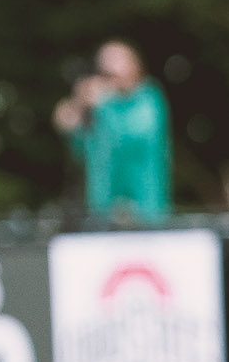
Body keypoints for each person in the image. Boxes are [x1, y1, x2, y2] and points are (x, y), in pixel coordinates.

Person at [52, 40, 172, 226]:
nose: (109, 70)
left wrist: (103, 102)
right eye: (104, 65)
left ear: (134, 65)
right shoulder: (100, 105)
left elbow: (135, 138)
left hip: (146, 213)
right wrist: (75, 111)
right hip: (102, 213)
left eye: (116, 61)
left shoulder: (149, 97)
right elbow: (81, 149)